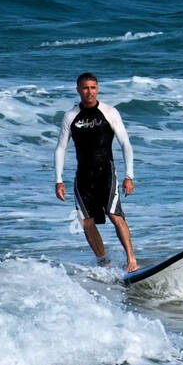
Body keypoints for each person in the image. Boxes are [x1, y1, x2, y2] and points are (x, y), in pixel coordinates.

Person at [54, 72, 139, 272]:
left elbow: (125, 143)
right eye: (85, 88)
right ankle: (104, 262)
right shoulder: (71, 116)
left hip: (106, 174)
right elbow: (61, 148)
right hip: (83, 176)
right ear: (78, 90)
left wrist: (129, 176)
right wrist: (58, 180)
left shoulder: (109, 112)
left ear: (97, 89)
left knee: (115, 215)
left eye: (93, 87)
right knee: (86, 222)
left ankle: (131, 260)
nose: (89, 92)